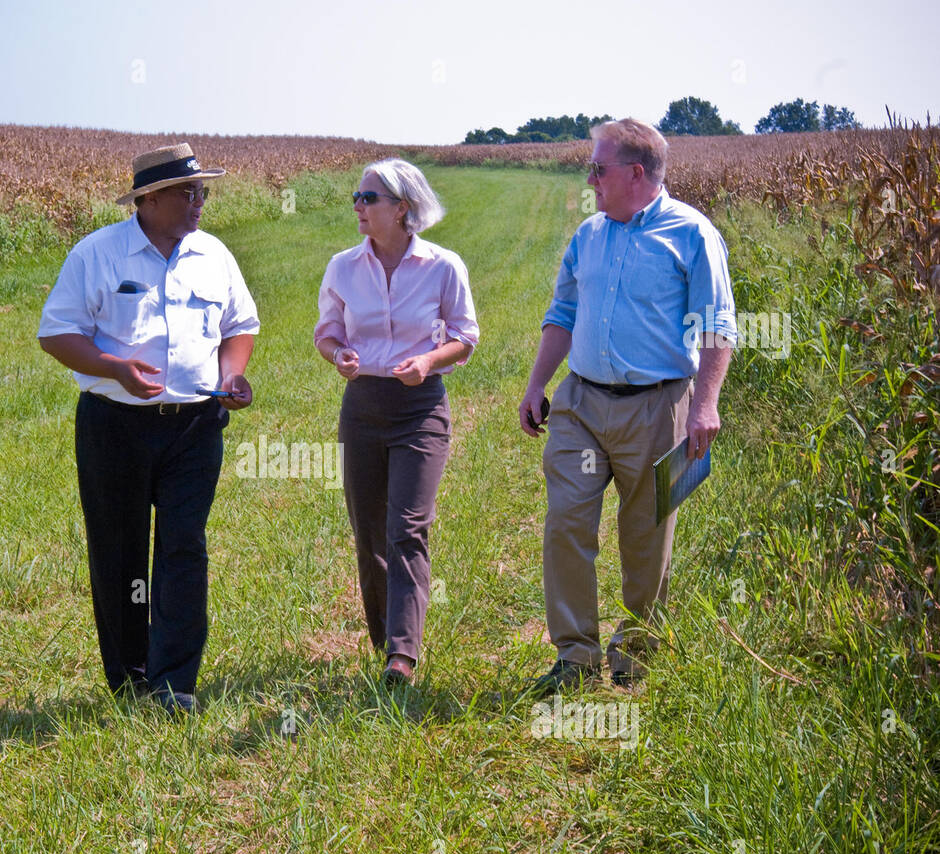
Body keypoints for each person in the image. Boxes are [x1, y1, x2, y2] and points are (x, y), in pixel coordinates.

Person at [37, 143, 259, 716]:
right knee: (119, 550)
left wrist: (232, 374)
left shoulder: (214, 256)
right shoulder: (96, 255)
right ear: (149, 199)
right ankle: (129, 677)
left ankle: (174, 682)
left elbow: (240, 325)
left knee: (185, 546)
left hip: (195, 425)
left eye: (203, 191)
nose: (199, 202)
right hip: (115, 426)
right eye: (188, 192)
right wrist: (112, 369)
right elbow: (57, 333)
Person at [519, 118, 736, 692]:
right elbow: (562, 314)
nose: (590, 179)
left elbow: (717, 326)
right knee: (567, 522)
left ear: (635, 173)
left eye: (598, 168)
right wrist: (538, 383)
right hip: (582, 404)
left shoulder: (691, 234)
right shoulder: (589, 235)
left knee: (647, 535)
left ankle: (634, 655)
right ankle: (575, 655)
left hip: (658, 407)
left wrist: (704, 405)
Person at [313, 158, 479, 687]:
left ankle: (402, 655)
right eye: (357, 198)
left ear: (402, 208)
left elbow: (465, 335)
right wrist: (338, 355)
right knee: (369, 534)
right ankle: (386, 640)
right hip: (362, 407)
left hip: (420, 408)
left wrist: (429, 361)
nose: (358, 207)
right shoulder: (342, 266)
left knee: (407, 526)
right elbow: (327, 331)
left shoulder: (443, 266)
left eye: (369, 198)